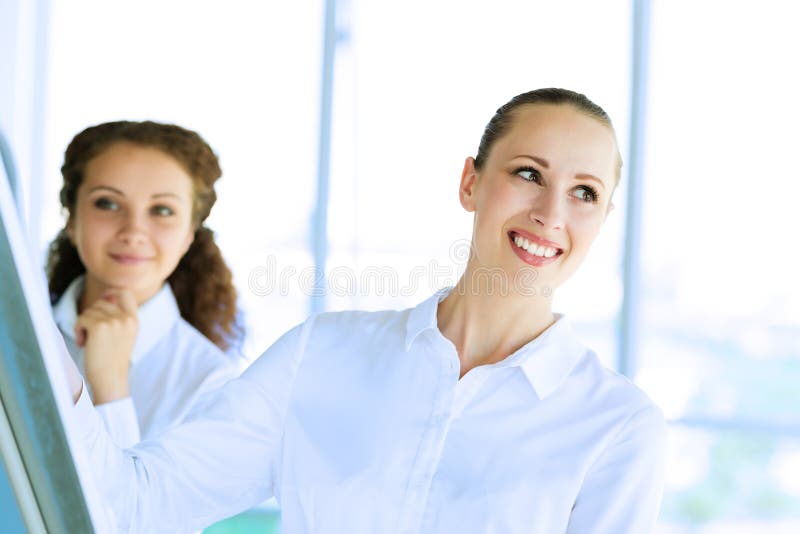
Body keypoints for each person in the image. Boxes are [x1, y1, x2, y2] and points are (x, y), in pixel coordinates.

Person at [67, 89, 666, 533]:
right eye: (529, 174)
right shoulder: (320, 355)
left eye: (584, 192)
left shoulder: (616, 428)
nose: (551, 212)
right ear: (470, 183)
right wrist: (38, 348)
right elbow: (139, 505)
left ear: (605, 217)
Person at [48, 120, 245, 447]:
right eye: (107, 203)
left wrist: (110, 389)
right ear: (71, 221)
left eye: (162, 210)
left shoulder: (211, 386)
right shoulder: (19, 340)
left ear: (187, 237)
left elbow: (121, 500)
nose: (133, 231)